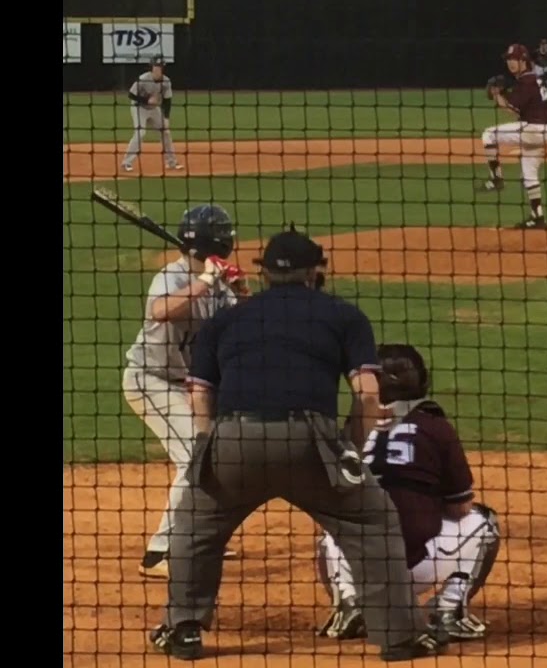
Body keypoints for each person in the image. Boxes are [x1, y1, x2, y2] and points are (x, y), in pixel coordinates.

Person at [149, 227, 445, 662]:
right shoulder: (344, 316)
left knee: (194, 526)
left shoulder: (225, 320)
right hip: (310, 444)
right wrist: (348, 449)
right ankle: (400, 637)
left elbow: (199, 394)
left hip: (234, 440)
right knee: (371, 522)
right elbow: (367, 395)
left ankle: (183, 630)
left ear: (264, 273)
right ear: (314, 272)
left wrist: (211, 445)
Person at [314, 344, 502, 643]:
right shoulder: (436, 427)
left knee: (333, 522)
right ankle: (449, 611)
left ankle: (350, 604)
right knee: (484, 520)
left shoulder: (353, 431)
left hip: (365, 568)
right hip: (418, 568)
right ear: (422, 380)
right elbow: (460, 507)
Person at [121, 204, 248, 579]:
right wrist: (205, 281)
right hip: (151, 381)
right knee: (195, 455)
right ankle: (160, 552)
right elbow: (161, 311)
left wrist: (241, 293)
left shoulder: (217, 284)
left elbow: (245, 328)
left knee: (223, 455)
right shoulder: (171, 276)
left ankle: (203, 538)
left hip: (193, 388)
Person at [480, 43, 547, 230]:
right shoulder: (532, 79)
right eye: (508, 59)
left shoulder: (526, 80)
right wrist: (503, 94)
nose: (510, 63)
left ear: (523, 60)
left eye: (514, 59)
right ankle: (537, 217)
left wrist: (497, 94)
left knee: (489, 135)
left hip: (535, 129)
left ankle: (496, 178)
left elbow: (511, 109)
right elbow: (519, 108)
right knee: (529, 172)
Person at [120, 56, 183, 172]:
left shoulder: (166, 81)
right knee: (140, 133)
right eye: (156, 66)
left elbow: (167, 101)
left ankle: (172, 162)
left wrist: (166, 118)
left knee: (166, 132)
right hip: (139, 107)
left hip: (154, 109)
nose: (157, 69)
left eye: (160, 67)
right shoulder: (143, 79)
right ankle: (126, 163)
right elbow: (131, 94)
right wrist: (146, 100)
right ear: (152, 67)